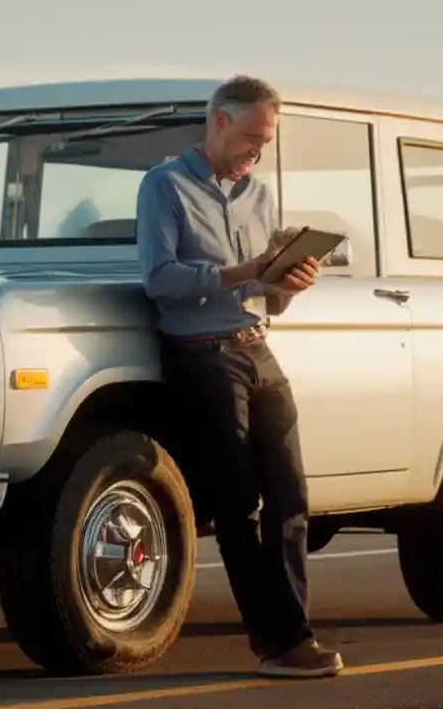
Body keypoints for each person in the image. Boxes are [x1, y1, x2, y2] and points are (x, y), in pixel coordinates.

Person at [135, 74, 343, 678]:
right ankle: (280, 643)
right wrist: (246, 269)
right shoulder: (164, 185)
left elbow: (267, 296)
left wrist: (286, 282)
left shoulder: (260, 194)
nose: (258, 149)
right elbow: (161, 280)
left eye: (267, 140)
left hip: (258, 347)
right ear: (219, 122)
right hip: (200, 354)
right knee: (238, 505)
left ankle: (292, 631)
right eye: (251, 135)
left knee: (292, 496)